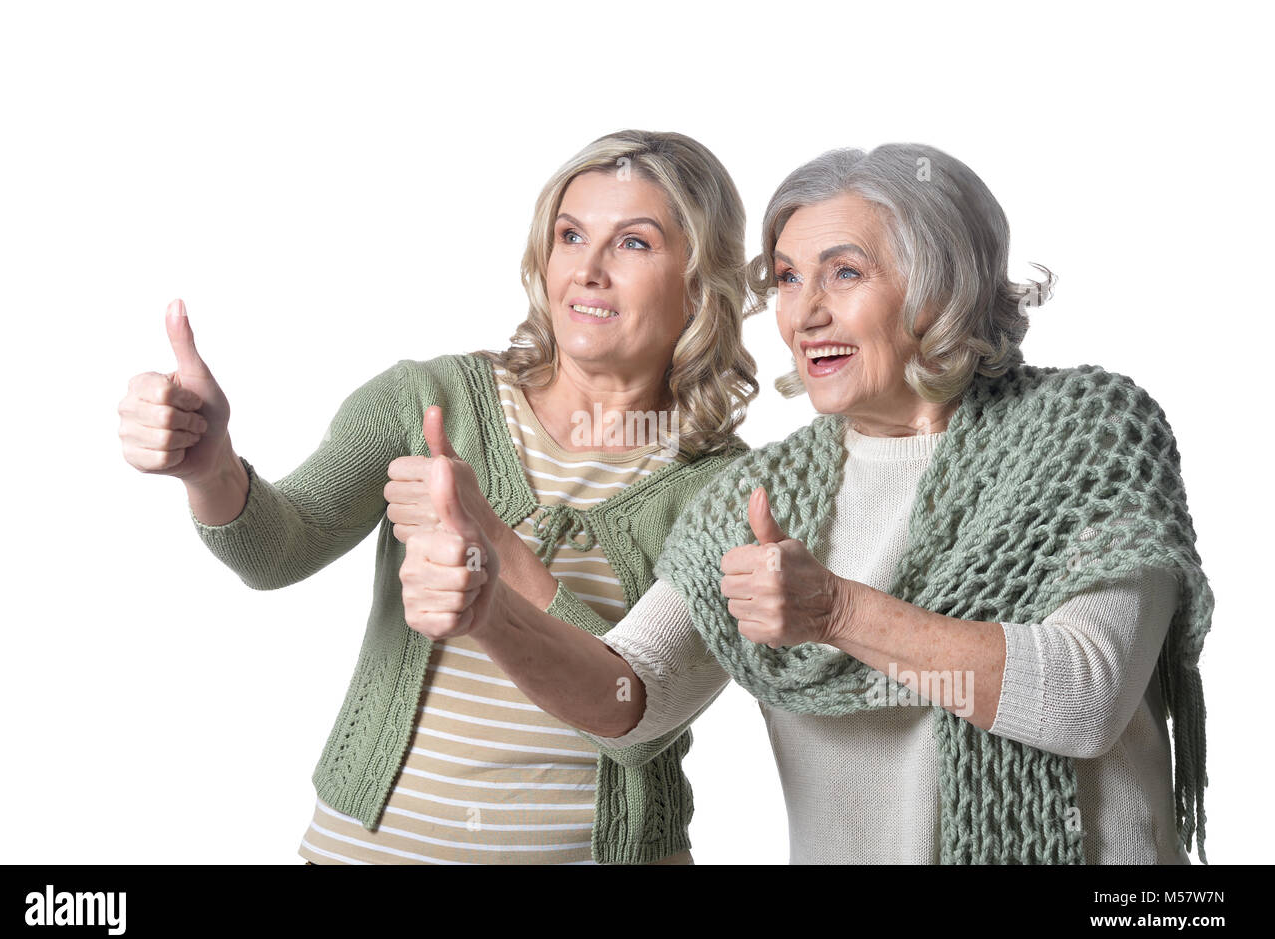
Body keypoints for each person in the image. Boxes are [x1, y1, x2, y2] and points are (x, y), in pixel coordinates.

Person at [400, 142, 1215, 864]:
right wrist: (491, 609)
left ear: (940, 288)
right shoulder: (756, 494)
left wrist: (835, 611)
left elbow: (1083, 698)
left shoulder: (1086, 430)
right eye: (789, 277)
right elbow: (630, 699)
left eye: (845, 273)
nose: (805, 312)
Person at [116, 129, 759, 864]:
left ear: (699, 282)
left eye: (634, 244)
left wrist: (500, 551)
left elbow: (633, 714)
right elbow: (277, 550)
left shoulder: (730, 495)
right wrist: (210, 468)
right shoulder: (429, 401)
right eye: (571, 236)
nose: (587, 270)